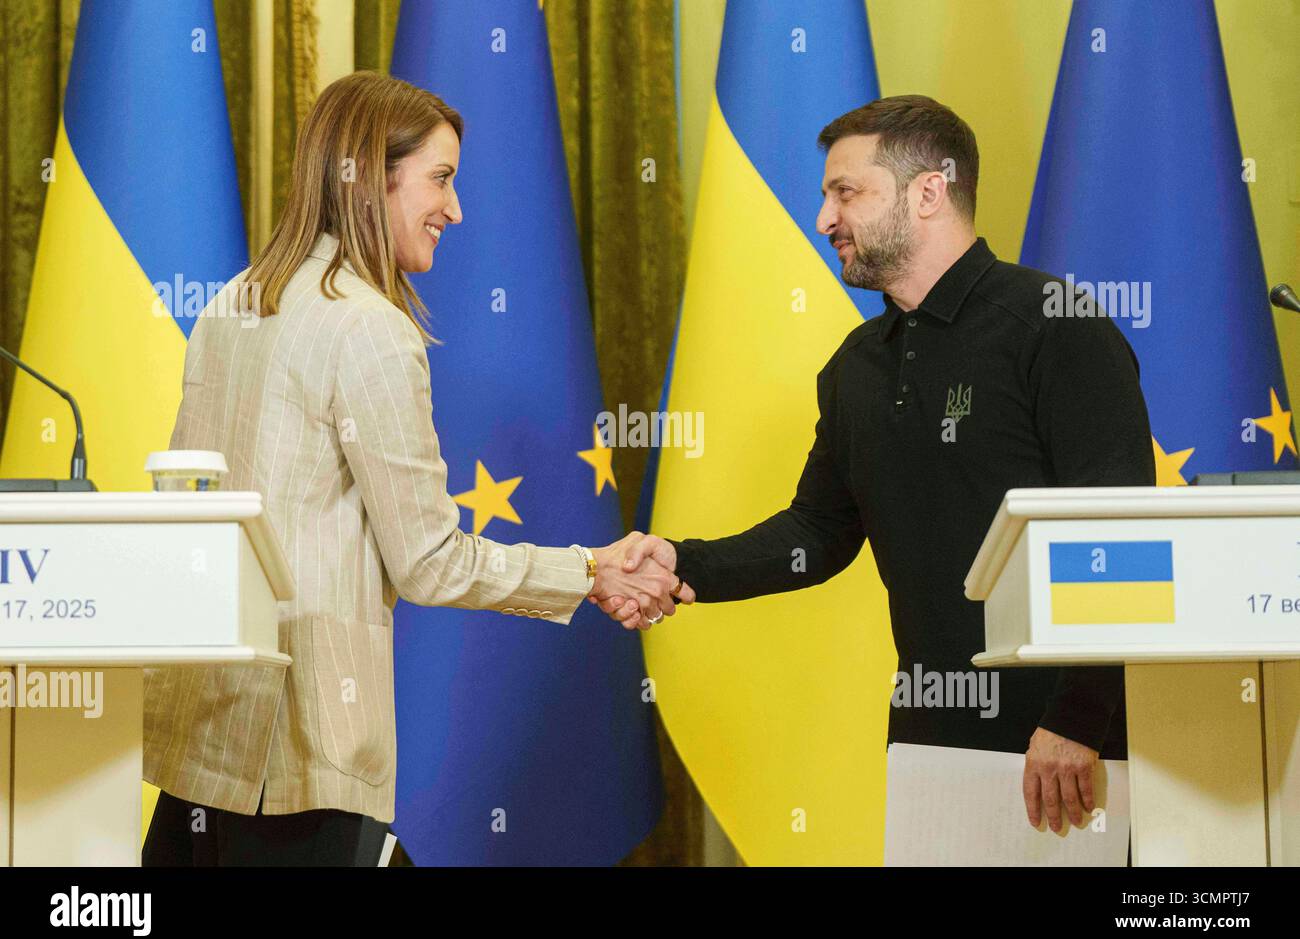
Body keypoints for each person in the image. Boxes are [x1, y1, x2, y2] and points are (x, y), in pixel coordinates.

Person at [141, 71, 689, 866]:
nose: (455, 209)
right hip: (303, 758)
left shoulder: (230, 304)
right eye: (440, 179)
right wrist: (591, 571)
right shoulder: (369, 329)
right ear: (369, 176)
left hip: (205, 745)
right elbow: (429, 562)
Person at [601, 95, 1156, 839]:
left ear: (928, 191)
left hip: (1069, 750)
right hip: (926, 737)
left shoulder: (1058, 326)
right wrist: (678, 562)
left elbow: (1120, 536)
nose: (825, 218)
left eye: (845, 192)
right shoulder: (855, 366)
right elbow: (818, 533)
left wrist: (1078, 721)